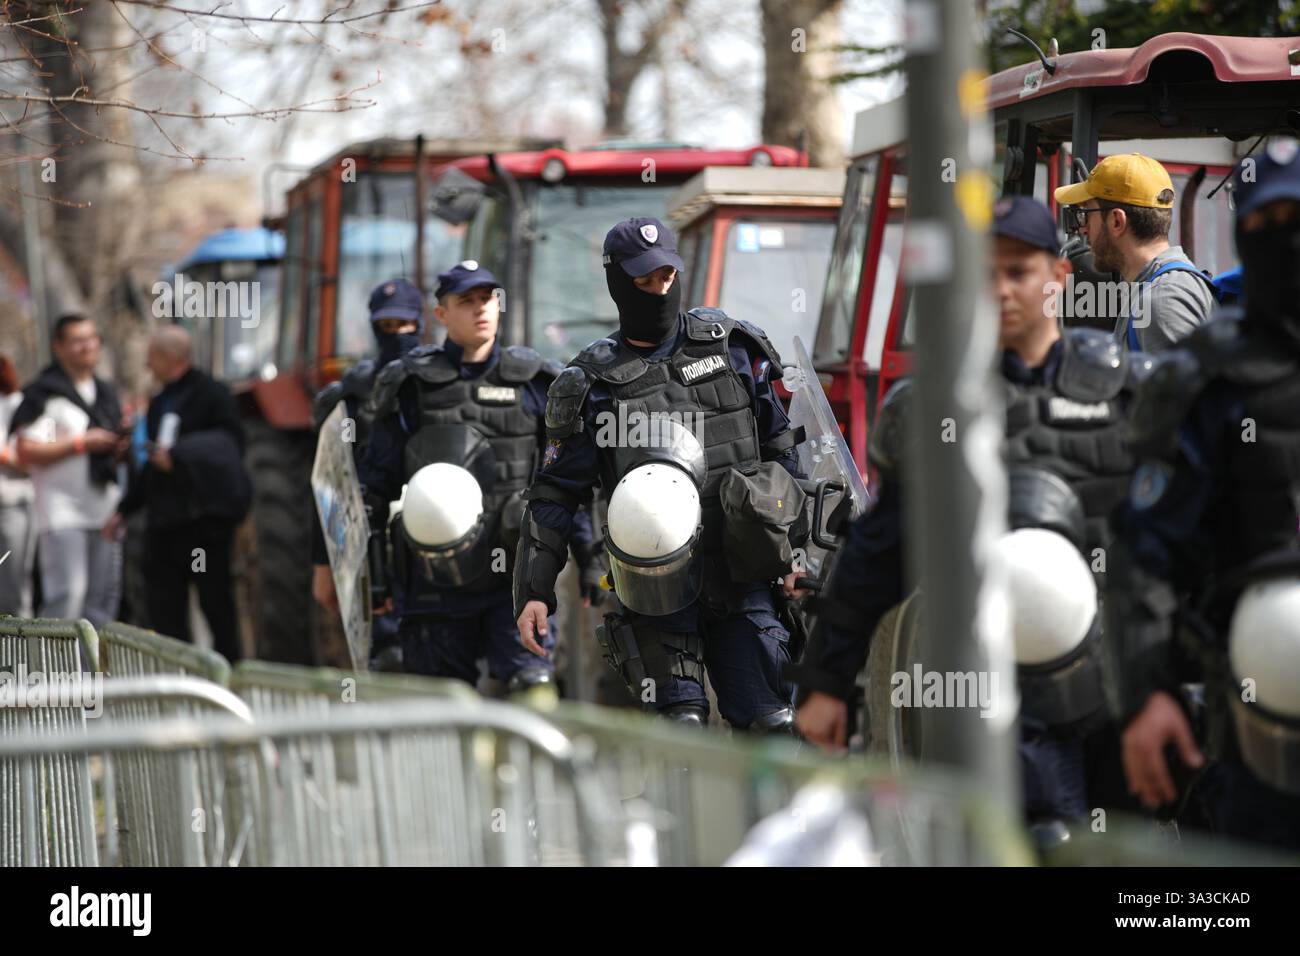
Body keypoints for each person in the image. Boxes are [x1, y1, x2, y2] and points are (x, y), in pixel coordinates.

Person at [793, 197, 1145, 828]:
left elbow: (1181, 542)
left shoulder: (1134, 394)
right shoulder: (935, 411)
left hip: (1121, 684)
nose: (1002, 290)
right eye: (984, 275)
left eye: (1018, 272)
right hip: (998, 697)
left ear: (1058, 278)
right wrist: (826, 680)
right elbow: (879, 551)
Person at [514, 217, 808, 733]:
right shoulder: (591, 386)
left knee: (773, 728)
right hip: (654, 594)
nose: (660, 288)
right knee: (682, 732)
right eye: (645, 281)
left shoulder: (733, 349)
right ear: (617, 284)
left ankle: (772, 819)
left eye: (667, 276)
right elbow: (556, 495)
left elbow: (783, 455)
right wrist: (535, 592)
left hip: (746, 575)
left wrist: (797, 552)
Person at [1104, 141, 1300, 850]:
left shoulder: (1166, 297)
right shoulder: (1205, 378)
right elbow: (1148, 552)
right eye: (1270, 220)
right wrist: (1146, 692)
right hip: (1254, 712)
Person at [359, 261, 600, 693]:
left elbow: (565, 483)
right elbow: (374, 490)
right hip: (433, 581)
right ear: (441, 314)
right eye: (465, 301)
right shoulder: (411, 387)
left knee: (534, 687)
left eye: (487, 299)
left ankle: (522, 763)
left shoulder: (537, 382)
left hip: (520, 577)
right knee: (442, 707)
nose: (480, 309)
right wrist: (375, 578)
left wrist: (590, 557)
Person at [104, 326, 250, 660]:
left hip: (204, 525)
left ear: (171, 358)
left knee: (216, 604)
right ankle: (178, 680)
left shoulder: (213, 395)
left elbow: (228, 447)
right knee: (165, 609)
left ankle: (229, 677)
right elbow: (150, 466)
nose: (146, 363)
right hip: (166, 524)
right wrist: (124, 510)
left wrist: (181, 457)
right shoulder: (159, 402)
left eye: (152, 356)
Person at [311, 278, 423, 670]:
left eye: (406, 325)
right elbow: (328, 482)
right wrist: (323, 562)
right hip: (368, 538)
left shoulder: (440, 383)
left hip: (432, 534)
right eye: (388, 327)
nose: (398, 335)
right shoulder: (352, 395)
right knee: (383, 657)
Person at [9, 314, 128, 627]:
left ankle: (95, 676)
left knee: (101, 603)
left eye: (91, 339)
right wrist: (79, 444)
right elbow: (28, 450)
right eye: (77, 341)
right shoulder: (48, 397)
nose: (86, 347)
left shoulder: (104, 393)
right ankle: (57, 675)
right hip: (62, 513)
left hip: (105, 509)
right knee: (69, 597)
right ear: (59, 347)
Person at [1055, 153, 1215, 353]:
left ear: (1116, 221)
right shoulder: (1147, 288)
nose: (1082, 229)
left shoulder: (1162, 304)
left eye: (1085, 215)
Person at [0, 353, 36, 617]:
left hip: (12, 503)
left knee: (13, 586)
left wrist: (5, 455)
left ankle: (20, 655)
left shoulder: (16, 404)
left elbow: (31, 459)